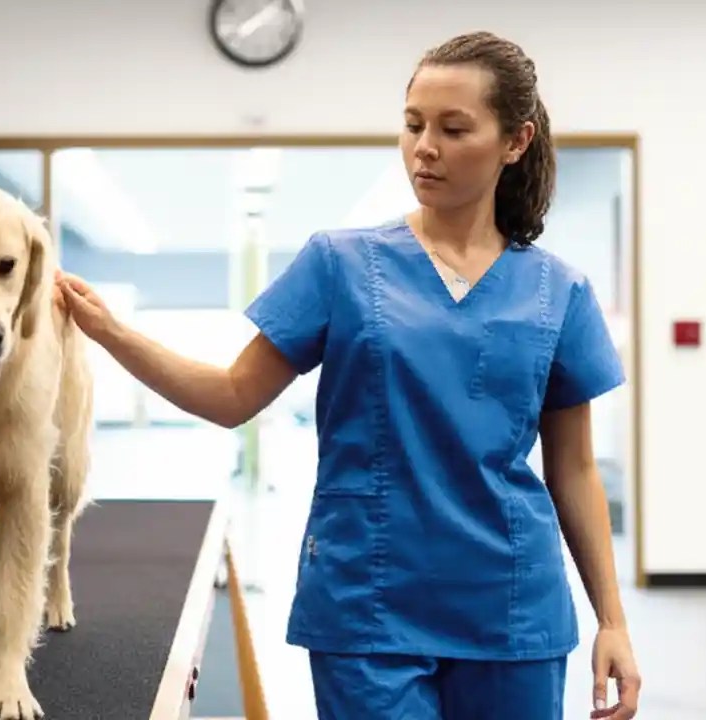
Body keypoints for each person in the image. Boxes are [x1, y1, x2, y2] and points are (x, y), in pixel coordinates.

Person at [55, 30, 641, 720]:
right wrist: (112, 333)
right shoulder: (339, 264)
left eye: (455, 129)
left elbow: (572, 469)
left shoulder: (557, 291)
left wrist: (613, 619)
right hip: (368, 606)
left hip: (511, 611)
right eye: (413, 123)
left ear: (516, 141)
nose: (425, 147)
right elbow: (231, 396)